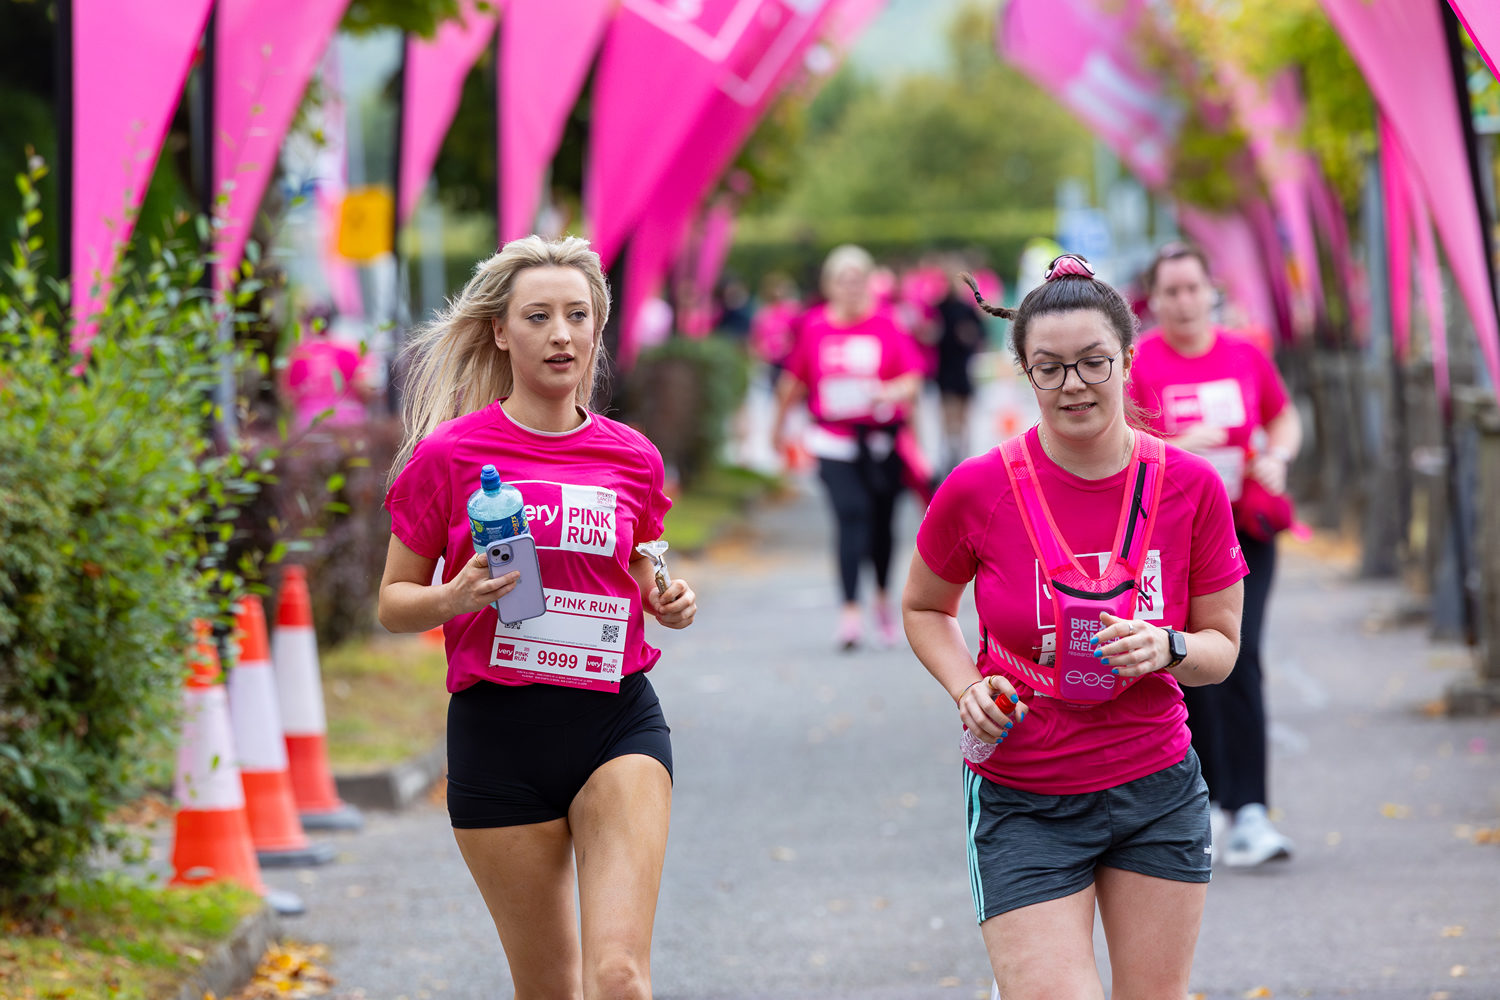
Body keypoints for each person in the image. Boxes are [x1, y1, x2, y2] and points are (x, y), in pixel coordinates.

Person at [902, 254, 1246, 1000]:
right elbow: (925, 607)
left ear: (1127, 359)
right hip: (1023, 794)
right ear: (1025, 371)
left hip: (1156, 788)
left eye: (1093, 363)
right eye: (1049, 369)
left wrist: (1167, 646)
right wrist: (966, 687)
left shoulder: (1191, 486)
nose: (1074, 386)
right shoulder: (979, 489)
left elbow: (1222, 650)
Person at [377, 235, 698, 1000]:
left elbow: (645, 559)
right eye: (538, 316)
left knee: (618, 977)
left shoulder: (633, 457)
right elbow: (393, 601)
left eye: (577, 315)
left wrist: (666, 593)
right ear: (499, 331)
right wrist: (451, 598)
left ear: (598, 329)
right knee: (549, 989)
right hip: (498, 737)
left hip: (615, 723)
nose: (560, 333)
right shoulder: (449, 457)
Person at [1128, 241, 1303, 867]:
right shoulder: (1138, 363)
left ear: (1210, 291)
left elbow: (1284, 419)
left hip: (1246, 527)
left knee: (1243, 653)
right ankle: (1200, 802)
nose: (1182, 301)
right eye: (1169, 291)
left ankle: (1251, 811)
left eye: (1191, 288)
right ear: (1154, 300)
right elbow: (1119, 445)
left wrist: (1278, 457)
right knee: (1188, 662)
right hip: (1173, 539)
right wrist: (1176, 444)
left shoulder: (1245, 355)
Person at [773, 244, 924, 650]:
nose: (852, 288)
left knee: (881, 526)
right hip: (834, 442)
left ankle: (880, 598)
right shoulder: (815, 327)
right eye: (844, 280)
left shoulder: (887, 324)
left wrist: (886, 391)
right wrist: (778, 428)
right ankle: (851, 611)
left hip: (881, 443)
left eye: (859, 280)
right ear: (829, 286)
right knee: (850, 515)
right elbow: (794, 380)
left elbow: (913, 380)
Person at [934, 269, 987, 476]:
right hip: (945, 368)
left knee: (963, 414)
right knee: (949, 412)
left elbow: (980, 335)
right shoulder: (938, 309)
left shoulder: (965, 308)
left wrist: (970, 336)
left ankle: (962, 454)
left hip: (963, 367)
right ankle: (952, 450)